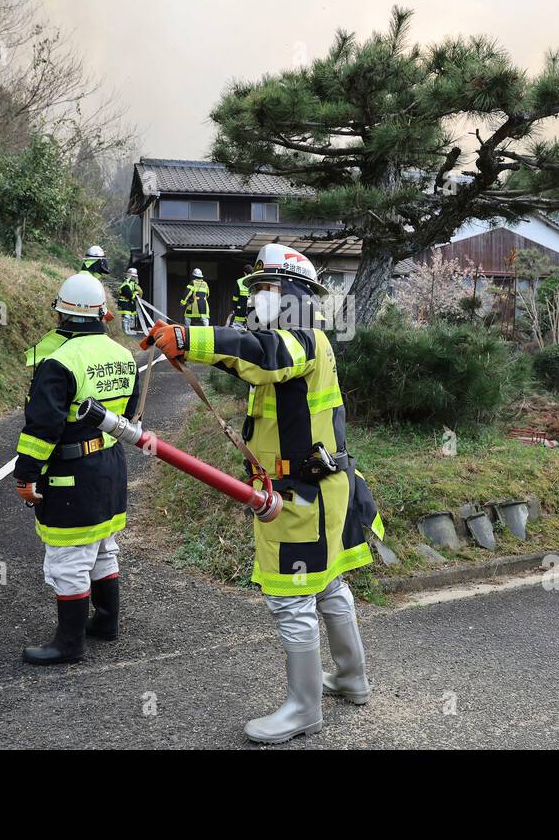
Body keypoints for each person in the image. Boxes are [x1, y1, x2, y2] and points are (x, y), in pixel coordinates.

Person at [141, 243, 384, 744]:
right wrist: (192, 348)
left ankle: (303, 708)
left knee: (292, 597)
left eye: (266, 289)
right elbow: (250, 361)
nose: (257, 300)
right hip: (322, 487)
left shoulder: (298, 340)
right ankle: (351, 679)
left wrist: (190, 335)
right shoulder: (303, 342)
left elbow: (265, 356)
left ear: (293, 294)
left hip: (301, 494)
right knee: (328, 585)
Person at [14, 272, 138, 663]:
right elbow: (128, 414)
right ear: (103, 313)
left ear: (61, 315)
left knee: (68, 556)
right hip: (111, 465)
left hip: (72, 473)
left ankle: (69, 644)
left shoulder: (58, 361)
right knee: (103, 547)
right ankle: (105, 621)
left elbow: (42, 428)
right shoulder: (122, 354)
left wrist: (26, 474)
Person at [117, 267, 142, 336]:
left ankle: (128, 330)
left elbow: (134, 293)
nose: (134, 278)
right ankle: (125, 331)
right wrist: (135, 294)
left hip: (129, 303)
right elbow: (129, 295)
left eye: (135, 277)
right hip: (124, 303)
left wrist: (137, 292)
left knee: (130, 317)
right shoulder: (126, 285)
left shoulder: (133, 284)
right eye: (133, 276)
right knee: (126, 317)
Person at [230, 263, 251, 327]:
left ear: (244, 273)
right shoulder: (256, 280)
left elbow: (235, 297)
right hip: (252, 306)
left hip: (241, 306)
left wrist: (234, 306)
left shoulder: (239, 281)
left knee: (237, 325)